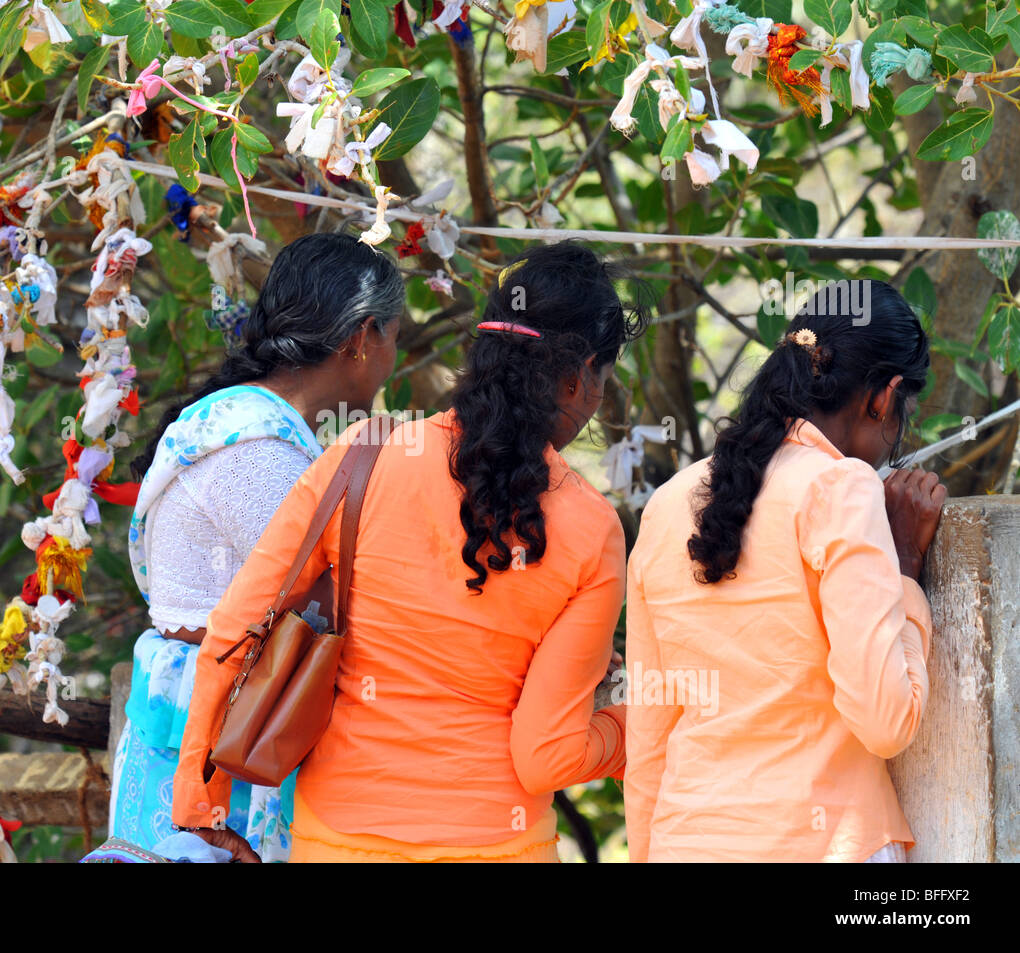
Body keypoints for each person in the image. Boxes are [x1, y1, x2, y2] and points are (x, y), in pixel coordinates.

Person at [171, 241, 646, 862]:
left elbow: (236, 630)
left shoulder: (364, 456)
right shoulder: (593, 529)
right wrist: (640, 723)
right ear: (578, 375)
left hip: (338, 842)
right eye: (603, 383)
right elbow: (547, 756)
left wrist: (201, 801)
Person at [92, 232, 402, 863]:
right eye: (396, 337)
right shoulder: (261, 454)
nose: (394, 356)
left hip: (211, 709)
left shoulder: (241, 423)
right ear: (362, 338)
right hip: (230, 728)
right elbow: (338, 601)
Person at [624, 280, 946, 862]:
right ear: (885, 396)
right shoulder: (841, 487)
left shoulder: (668, 502)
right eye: (903, 411)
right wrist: (902, 571)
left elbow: (648, 735)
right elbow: (886, 721)